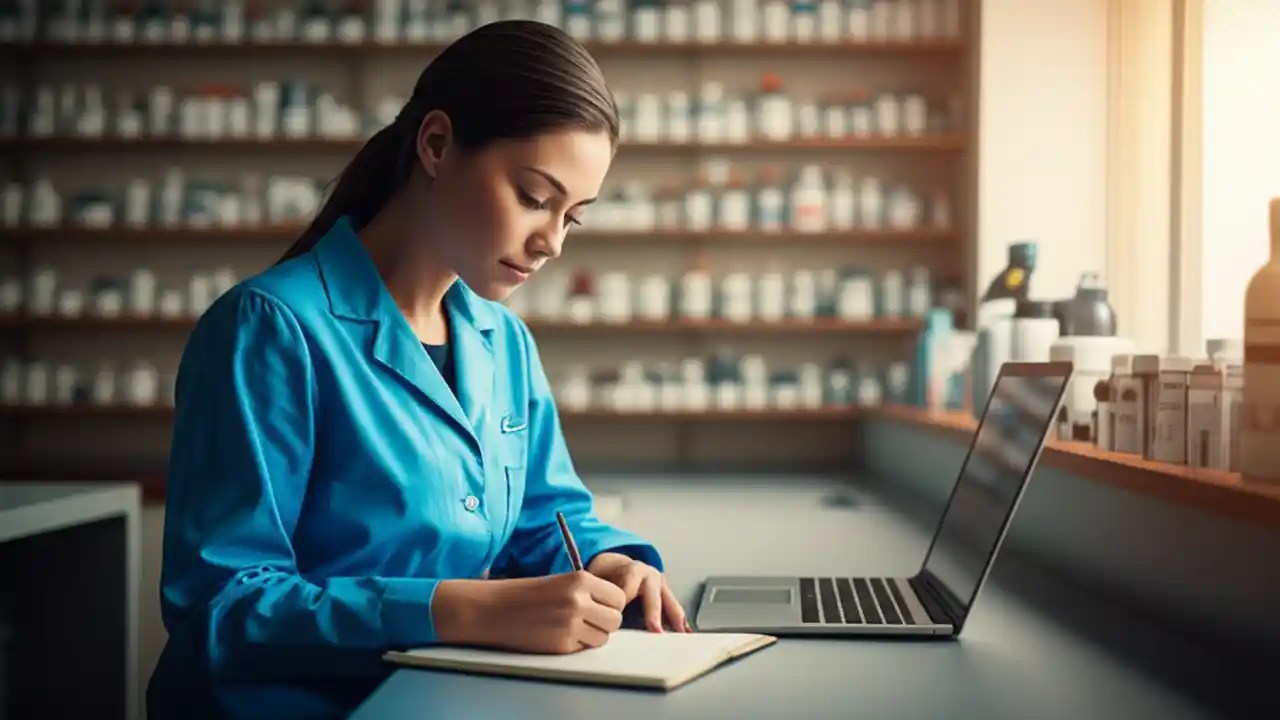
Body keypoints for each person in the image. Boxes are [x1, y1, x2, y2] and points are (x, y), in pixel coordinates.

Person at [148, 20, 689, 719]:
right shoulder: (271, 328)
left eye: (571, 217)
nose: (551, 241)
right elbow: (218, 606)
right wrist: (456, 609)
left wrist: (609, 562)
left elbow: (544, 519)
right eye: (533, 197)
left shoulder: (504, 342)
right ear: (436, 145)